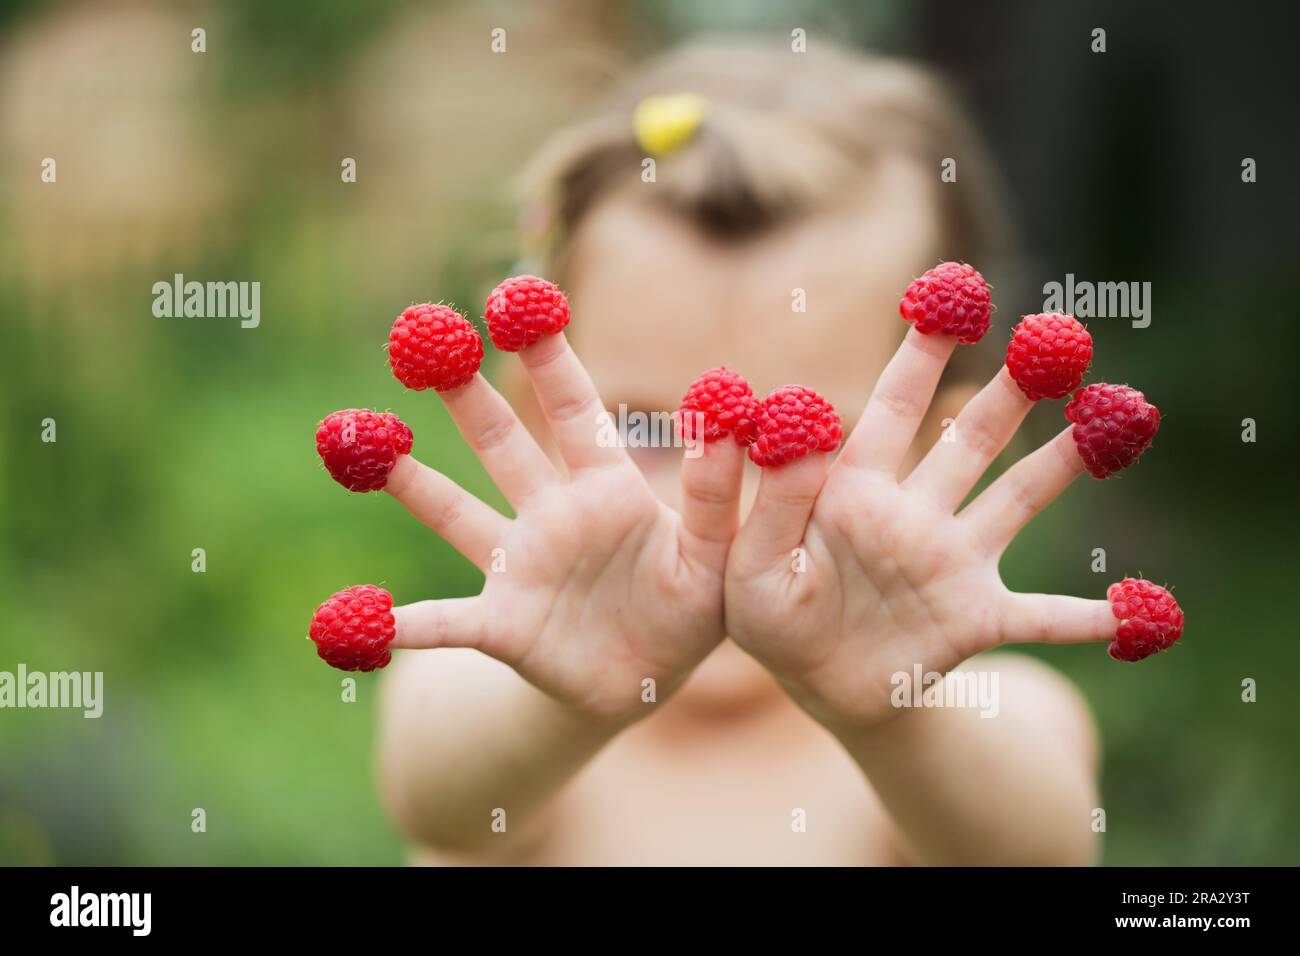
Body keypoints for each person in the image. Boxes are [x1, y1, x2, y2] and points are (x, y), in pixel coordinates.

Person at [376, 39, 1105, 865]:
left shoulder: (970, 722)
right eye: (651, 429)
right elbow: (435, 799)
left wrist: (892, 711)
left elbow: (1033, 854)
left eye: (806, 440)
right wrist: (570, 702)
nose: (718, 502)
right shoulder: (501, 688)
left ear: (943, 448)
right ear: (540, 424)